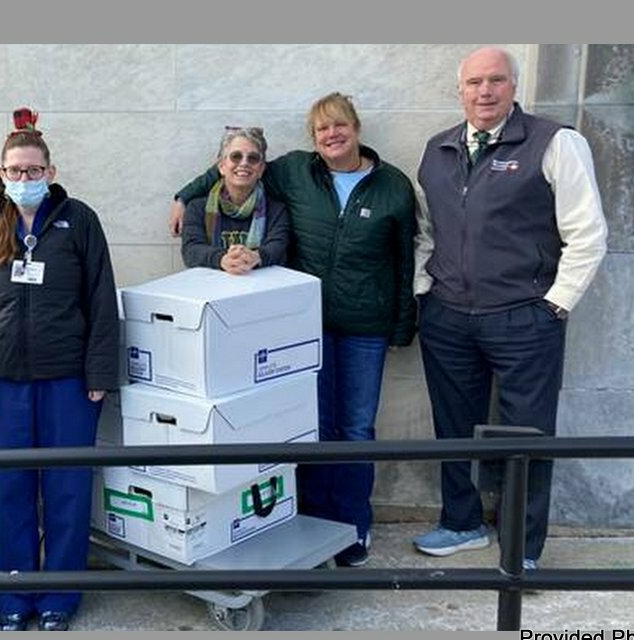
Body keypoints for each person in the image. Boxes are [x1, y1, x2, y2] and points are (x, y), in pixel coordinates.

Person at [170, 93, 418, 567]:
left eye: (339, 125)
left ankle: (353, 525)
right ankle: (315, 519)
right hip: (309, 323)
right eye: (321, 129)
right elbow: (230, 166)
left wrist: (403, 325)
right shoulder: (297, 172)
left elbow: (405, 257)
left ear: (357, 127)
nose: (331, 135)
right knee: (313, 425)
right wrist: (185, 195)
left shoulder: (391, 185)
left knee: (357, 427)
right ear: (313, 138)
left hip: (366, 326)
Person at [411, 47, 608, 569]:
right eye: (474, 81)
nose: (485, 91)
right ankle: (461, 522)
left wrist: (555, 305)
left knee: (527, 434)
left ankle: (522, 549)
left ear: (513, 86)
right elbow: (427, 231)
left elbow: (587, 235)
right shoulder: (438, 149)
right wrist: (422, 290)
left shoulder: (556, 143)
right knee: (453, 428)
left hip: (525, 317)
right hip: (449, 317)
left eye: (496, 79)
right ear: (460, 90)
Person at [0, 108, 119, 631]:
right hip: (4, 385)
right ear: (0, 174)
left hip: (68, 381)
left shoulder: (80, 220)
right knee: (9, 492)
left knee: (68, 491)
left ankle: (59, 598)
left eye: (33, 170)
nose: (23, 179)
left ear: (49, 172)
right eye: (14, 171)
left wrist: (99, 376)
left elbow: (100, 300)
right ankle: (13, 596)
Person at [180, 126, 289, 274]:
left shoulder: (277, 210)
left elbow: (279, 247)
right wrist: (222, 259)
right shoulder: (197, 208)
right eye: (236, 156)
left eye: (253, 158)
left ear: (261, 169)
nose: (244, 163)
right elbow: (191, 249)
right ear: (222, 166)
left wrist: (255, 257)